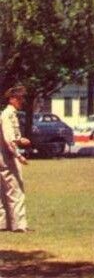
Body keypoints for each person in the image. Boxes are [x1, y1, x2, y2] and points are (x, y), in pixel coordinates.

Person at [0, 85, 31, 232]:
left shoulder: (8, 114)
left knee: (3, 192)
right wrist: (18, 155)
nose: (22, 101)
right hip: (8, 158)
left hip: (4, 157)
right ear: (12, 99)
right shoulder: (8, 115)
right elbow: (8, 139)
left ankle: (3, 223)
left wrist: (19, 140)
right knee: (16, 191)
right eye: (19, 98)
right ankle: (19, 225)